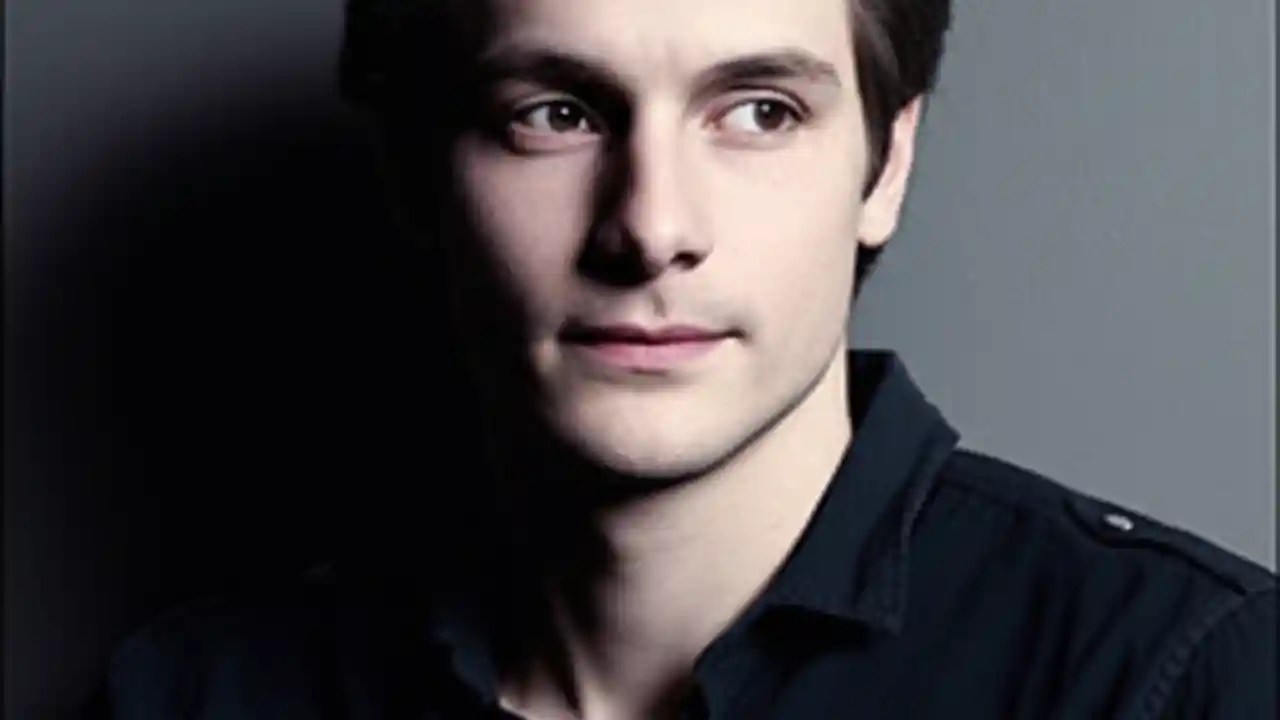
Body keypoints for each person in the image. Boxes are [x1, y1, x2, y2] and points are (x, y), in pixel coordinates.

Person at [90, 0, 1276, 717]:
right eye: (555, 112)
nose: (651, 226)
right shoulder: (194, 697)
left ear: (886, 164)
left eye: (757, 110)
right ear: (414, 175)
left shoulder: (1171, 682)